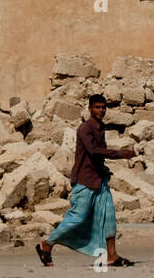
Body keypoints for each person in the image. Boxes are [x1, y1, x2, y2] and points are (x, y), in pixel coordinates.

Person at [36, 94, 135, 268]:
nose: (101, 111)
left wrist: (104, 170)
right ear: (89, 108)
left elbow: (98, 155)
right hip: (84, 182)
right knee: (77, 219)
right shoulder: (84, 129)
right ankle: (47, 245)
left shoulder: (100, 127)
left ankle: (112, 255)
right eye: (97, 107)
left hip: (100, 181)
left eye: (103, 107)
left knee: (109, 217)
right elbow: (94, 151)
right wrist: (120, 154)